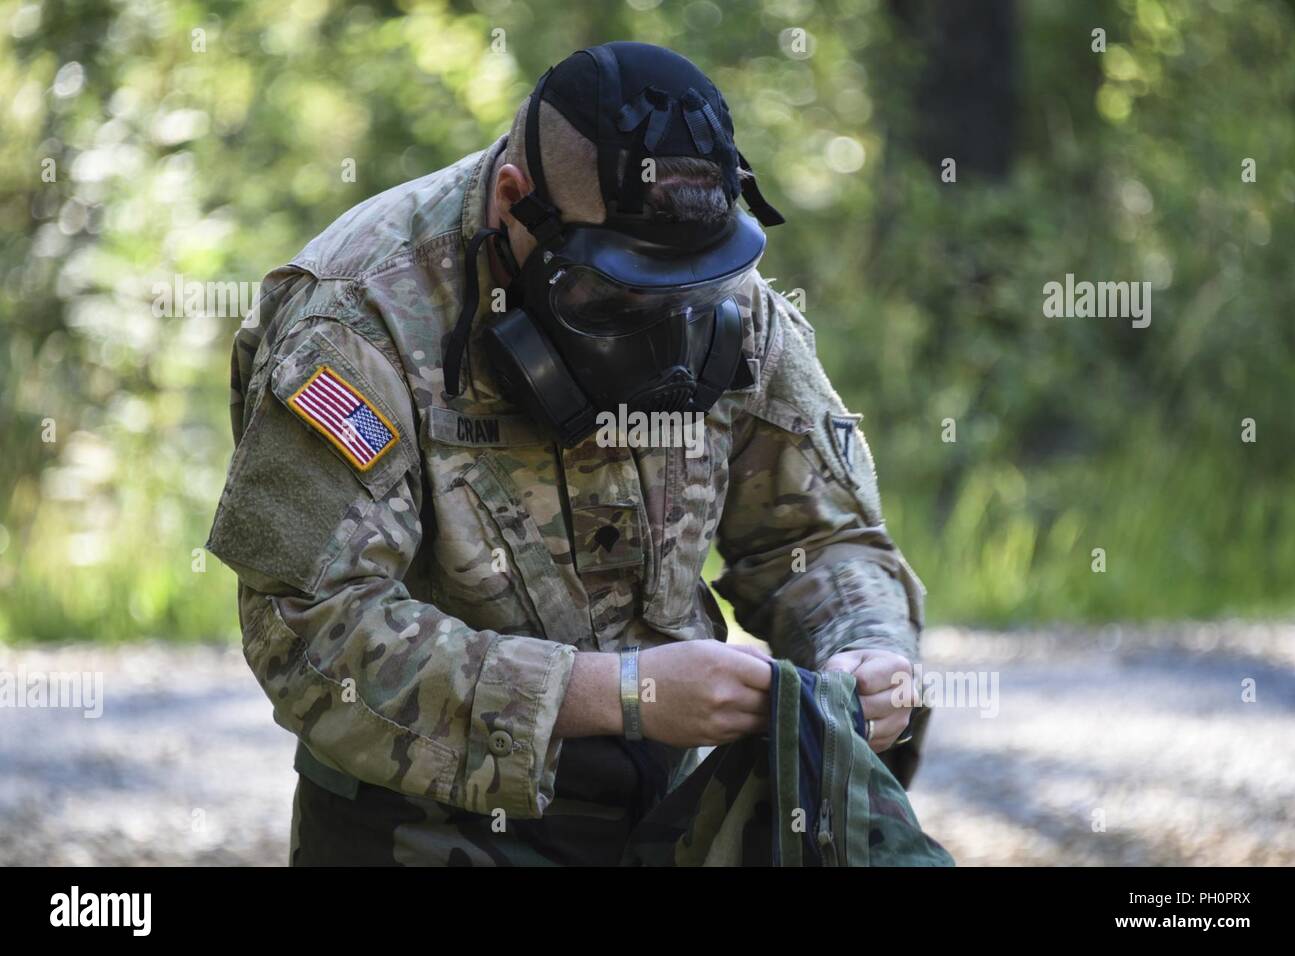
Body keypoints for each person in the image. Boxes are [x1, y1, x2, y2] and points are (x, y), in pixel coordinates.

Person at [207, 41, 927, 866]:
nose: (667, 320)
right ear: (516, 203)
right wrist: (613, 695)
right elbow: (311, 630)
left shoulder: (720, 291)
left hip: (668, 812)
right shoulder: (360, 316)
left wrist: (865, 648)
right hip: (420, 823)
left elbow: (821, 538)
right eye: (615, 291)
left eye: (691, 287)